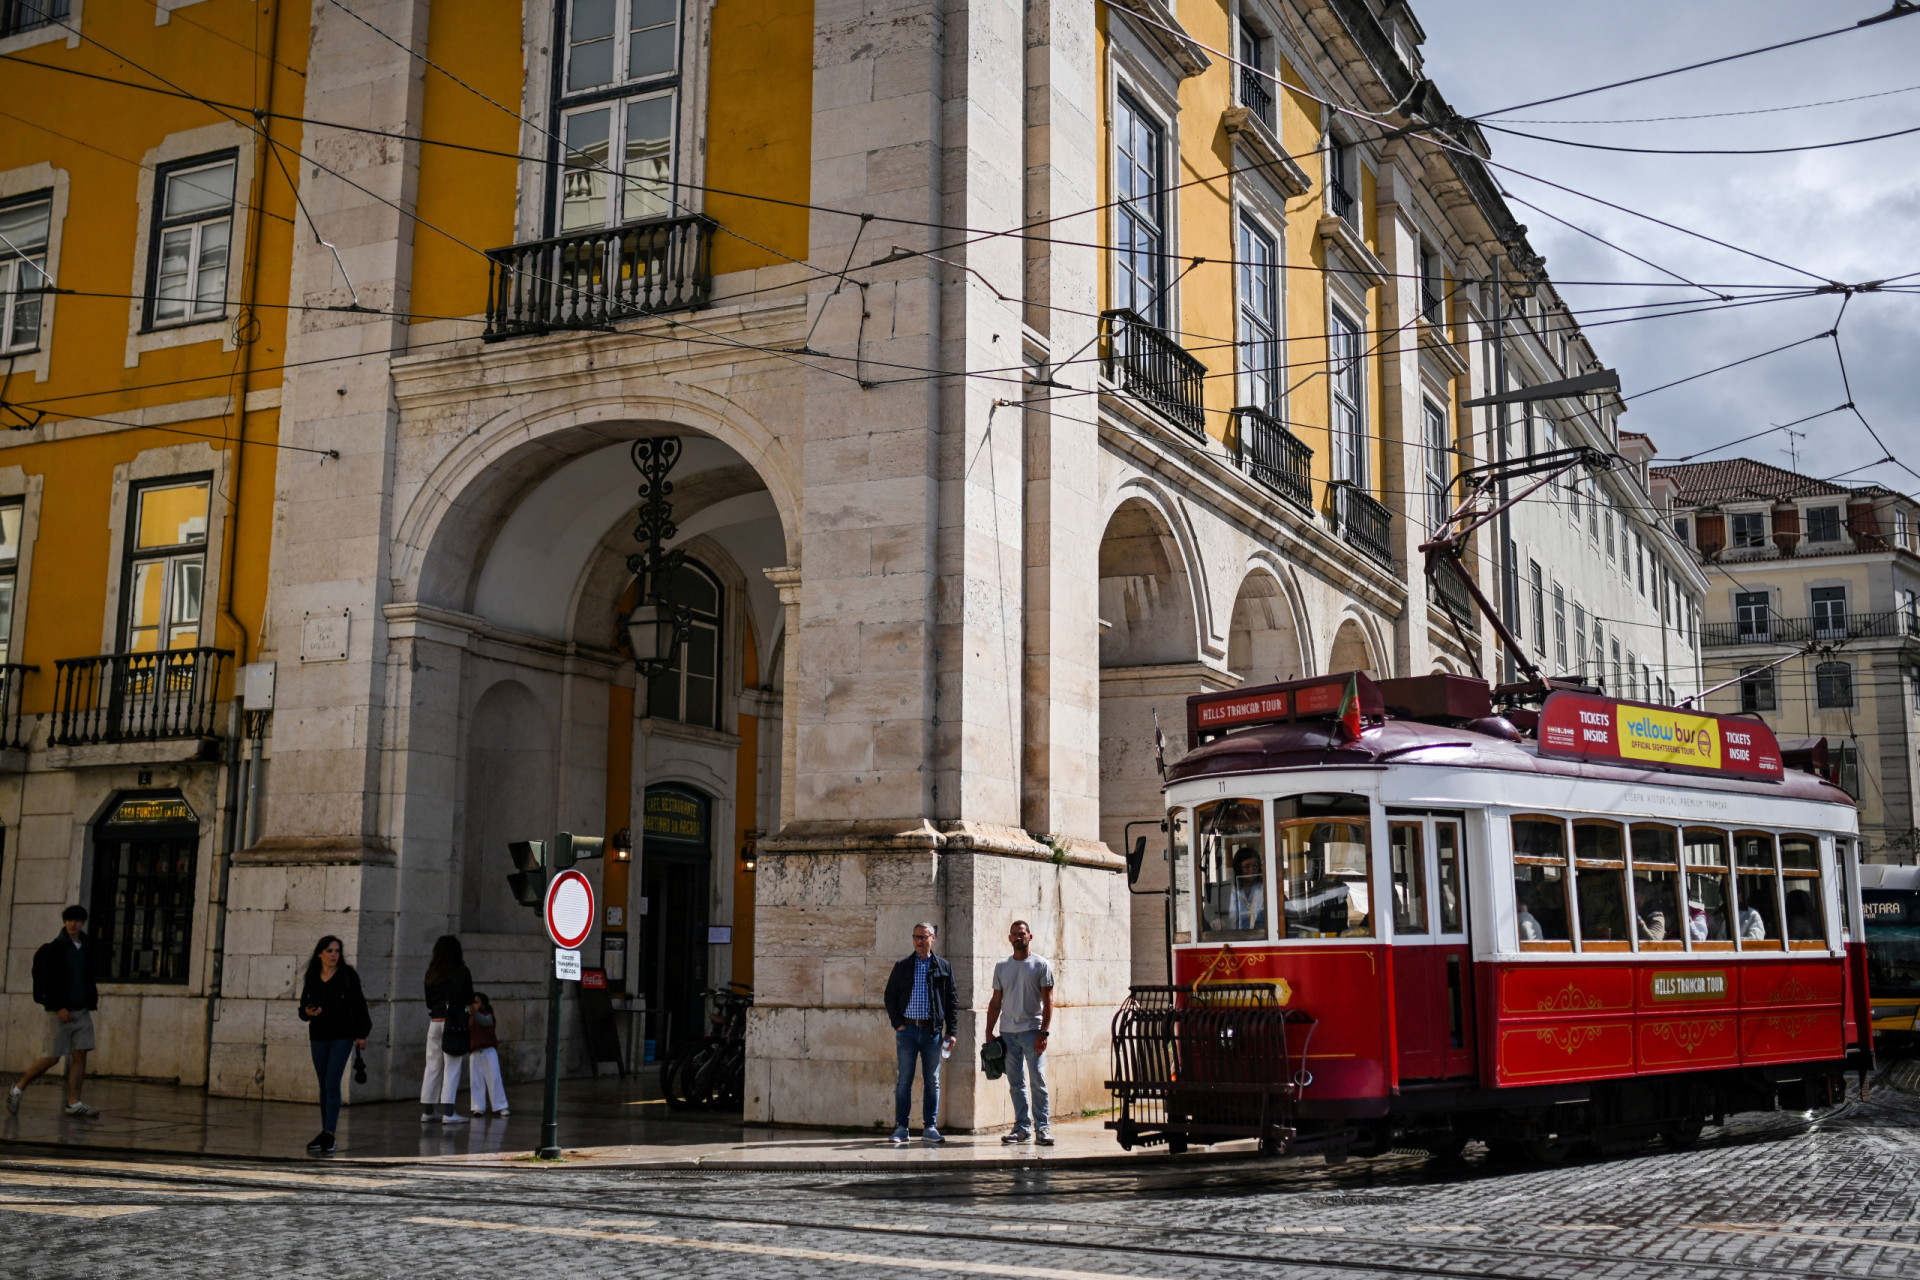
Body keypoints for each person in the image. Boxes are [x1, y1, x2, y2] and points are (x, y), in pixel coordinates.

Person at [7, 906, 103, 1118]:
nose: (72, 924)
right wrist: (58, 1006)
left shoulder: (86, 947)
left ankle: (74, 1102)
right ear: (64, 922)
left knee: (81, 1053)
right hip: (59, 1011)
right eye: (69, 920)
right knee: (52, 1057)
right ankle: (19, 1088)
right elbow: (47, 981)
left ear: (83, 922)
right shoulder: (53, 949)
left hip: (81, 1010)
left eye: (77, 920)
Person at [883, 921, 957, 1145]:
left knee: (932, 1081)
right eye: (916, 937)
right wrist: (898, 1024)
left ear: (932, 938)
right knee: (904, 1080)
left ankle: (930, 1127)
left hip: (932, 1032)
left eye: (923, 937)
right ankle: (902, 1127)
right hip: (907, 1031)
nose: (919, 941)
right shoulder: (903, 965)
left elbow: (952, 1001)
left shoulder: (943, 966)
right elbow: (890, 996)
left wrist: (951, 1031)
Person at [297, 934, 372, 1154]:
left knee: (332, 1083)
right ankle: (324, 1131)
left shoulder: (348, 975)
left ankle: (330, 1133)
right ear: (320, 953)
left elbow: (359, 1004)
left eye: (337, 951)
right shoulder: (312, 977)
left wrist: (361, 1034)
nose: (333, 955)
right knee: (323, 1085)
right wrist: (308, 1012)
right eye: (329, 951)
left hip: (342, 1036)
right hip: (318, 1036)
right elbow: (303, 1009)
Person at [984, 919, 1055, 1146]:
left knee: (1038, 1081)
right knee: (1016, 1083)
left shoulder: (1041, 965)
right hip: (1008, 1033)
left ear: (1029, 937)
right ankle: (1022, 1128)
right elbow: (996, 1002)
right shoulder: (1002, 967)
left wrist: (1044, 1032)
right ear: (1009, 938)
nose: (1018, 937)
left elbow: (1049, 1000)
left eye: (1022, 933)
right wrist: (989, 1030)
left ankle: (1042, 1129)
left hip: (1032, 1032)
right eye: (1014, 934)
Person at [421, 935, 474, 1125]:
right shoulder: (462, 971)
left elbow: (428, 1001)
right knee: (452, 1067)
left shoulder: (431, 972)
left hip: (434, 1020)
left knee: (432, 1065)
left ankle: (428, 1110)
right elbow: (469, 997)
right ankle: (449, 1112)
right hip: (453, 1022)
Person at [466, 992, 509, 1119]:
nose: (474, 1004)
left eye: (476, 1002)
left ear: (483, 1004)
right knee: (476, 1080)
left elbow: (485, 1022)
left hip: (488, 1051)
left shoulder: (487, 1015)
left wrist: (474, 1013)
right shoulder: (470, 1016)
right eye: (473, 1002)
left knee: (494, 1078)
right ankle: (478, 1107)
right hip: (475, 1051)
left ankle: (501, 1105)